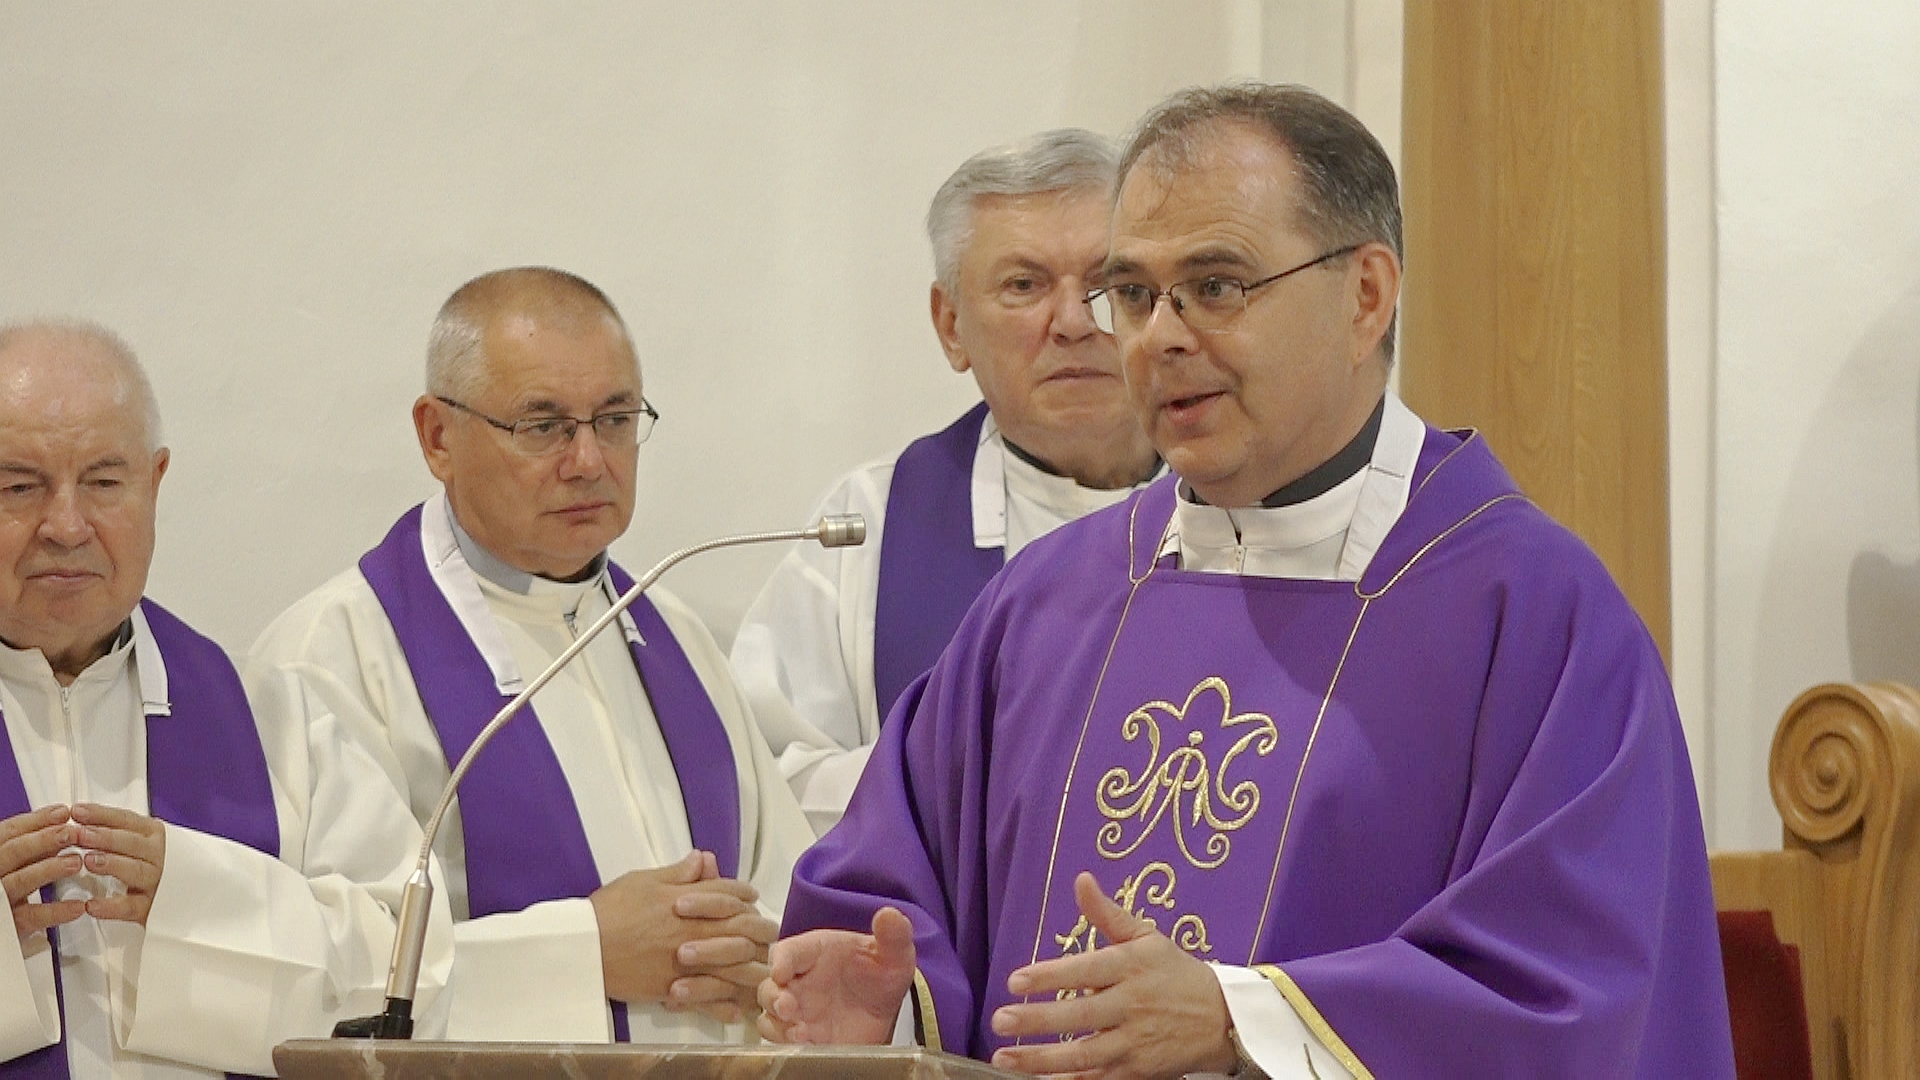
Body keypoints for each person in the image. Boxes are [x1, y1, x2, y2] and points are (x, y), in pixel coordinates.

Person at [761, 84, 1734, 1078]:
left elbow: (1573, 995)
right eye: (1135, 294)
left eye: (1216, 285)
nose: (1160, 338)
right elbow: (893, 888)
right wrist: (889, 1000)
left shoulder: (1531, 617)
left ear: (1367, 295)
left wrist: (1238, 1019)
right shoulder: (1047, 604)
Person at [248, 268, 814, 1044]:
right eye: (543, 426)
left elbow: (783, 892)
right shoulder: (332, 655)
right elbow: (315, 969)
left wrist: (770, 958)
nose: (588, 460)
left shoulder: (673, 633)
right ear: (437, 436)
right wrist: (582, 953)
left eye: (614, 419)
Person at [0, 320, 450, 1077]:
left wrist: (198, 904)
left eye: (105, 482)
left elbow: (419, 977)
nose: (67, 525)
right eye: (18, 486)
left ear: (156, 482)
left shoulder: (277, 718)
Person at [730, 130, 1162, 834]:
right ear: (951, 325)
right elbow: (765, 779)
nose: (1074, 322)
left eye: (1107, 285)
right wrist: (967, 782)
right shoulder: (870, 524)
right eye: (1024, 285)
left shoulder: (1245, 506)